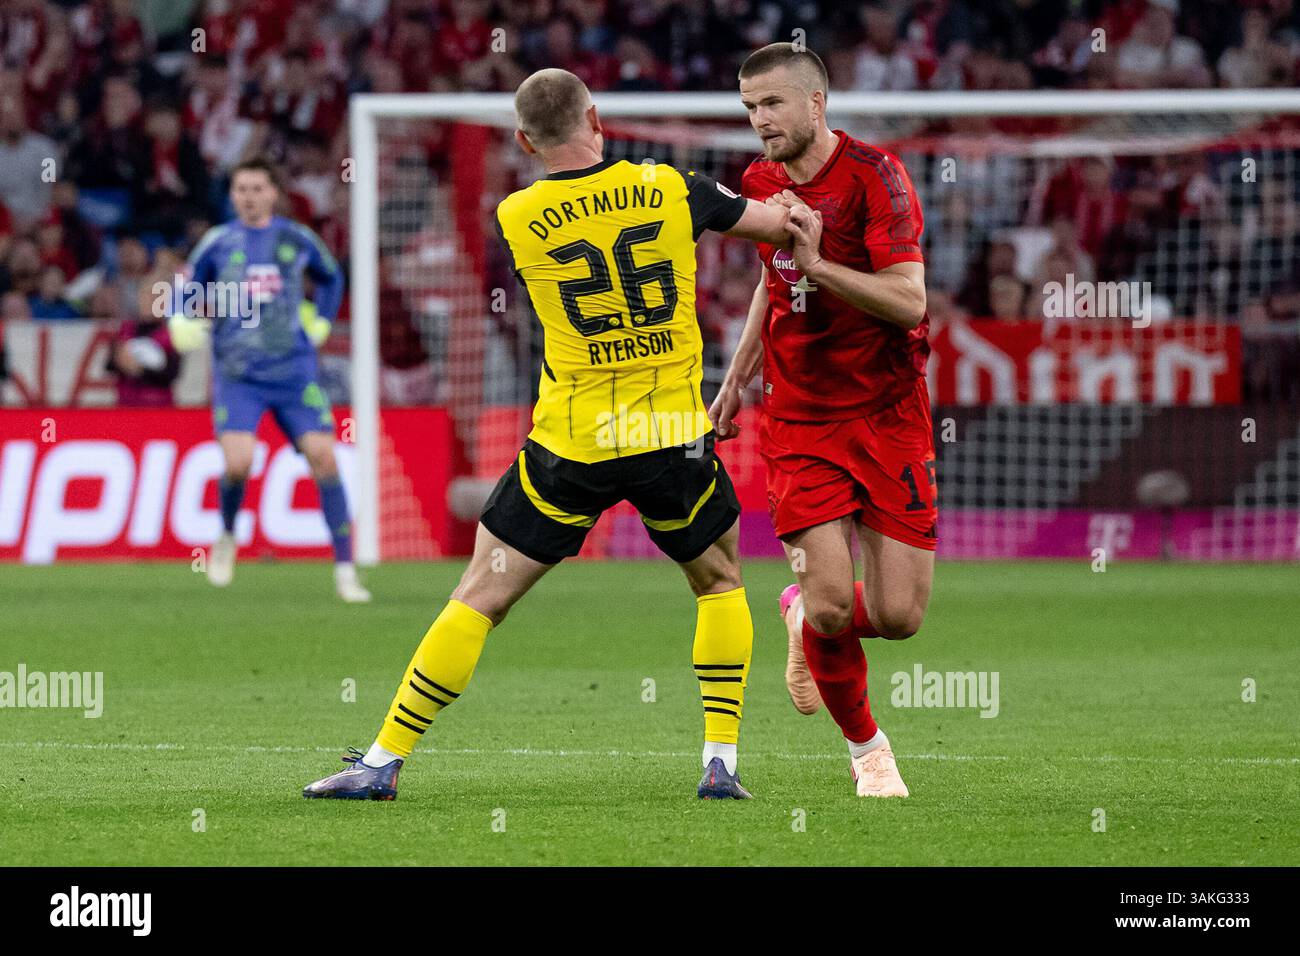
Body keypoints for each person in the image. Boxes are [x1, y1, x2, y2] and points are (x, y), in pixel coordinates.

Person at [303, 67, 800, 802]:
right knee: (719, 582)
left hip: (573, 443)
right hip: (672, 437)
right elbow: (776, 227)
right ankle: (720, 762)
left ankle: (382, 761)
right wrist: (789, 204)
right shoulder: (673, 187)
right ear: (596, 117)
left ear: (523, 140)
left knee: (479, 595)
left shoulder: (517, 215)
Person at [710, 43, 935, 798]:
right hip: (799, 416)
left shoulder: (877, 178)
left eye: (771, 104)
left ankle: (800, 611)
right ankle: (869, 752)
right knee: (838, 608)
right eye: (748, 108)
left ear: (816, 103)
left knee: (900, 616)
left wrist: (821, 268)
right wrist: (738, 375)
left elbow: (910, 302)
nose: (758, 121)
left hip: (889, 411)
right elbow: (772, 279)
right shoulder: (759, 180)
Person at [167, 157, 368, 603]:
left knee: (325, 459)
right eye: (242, 189)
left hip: (294, 372)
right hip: (239, 373)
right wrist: (181, 320)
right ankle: (226, 534)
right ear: (232, 195)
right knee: (238, 464)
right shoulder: (218, 243)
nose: (250, 196)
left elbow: (332, 278)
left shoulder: (296, 239)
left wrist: (321, 321)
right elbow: (186, 289)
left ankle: (345, 570)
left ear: (274, 193)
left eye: (258, 188)